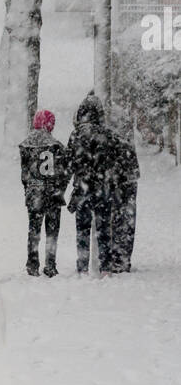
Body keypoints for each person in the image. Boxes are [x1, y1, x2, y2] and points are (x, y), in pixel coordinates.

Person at [66, 92, 115, 275]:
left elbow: (69, 163)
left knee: (83, 230)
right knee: (103, 230)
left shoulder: (75, 134)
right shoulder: (106, 134)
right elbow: (112, 162)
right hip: (102, 188)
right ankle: (105, 267)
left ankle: (82, 267)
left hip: (82, 188)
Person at [19, 109, 70, 276]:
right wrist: (60, 187)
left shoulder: (25, 144)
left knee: (34, 230)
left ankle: (32, 264)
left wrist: (29, 189)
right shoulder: (56, 145)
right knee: (52, 231)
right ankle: (50, 264)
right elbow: (64, 171)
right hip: (53, 194)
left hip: (34, 193)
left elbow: (24, 174)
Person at [108, 106, 140, 272]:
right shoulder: (121, 113)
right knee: (127, 216)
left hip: (115, 173)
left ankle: (113, 257)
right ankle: (123, 257)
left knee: (113, 214)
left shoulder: (104, 115)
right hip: (128, 171)